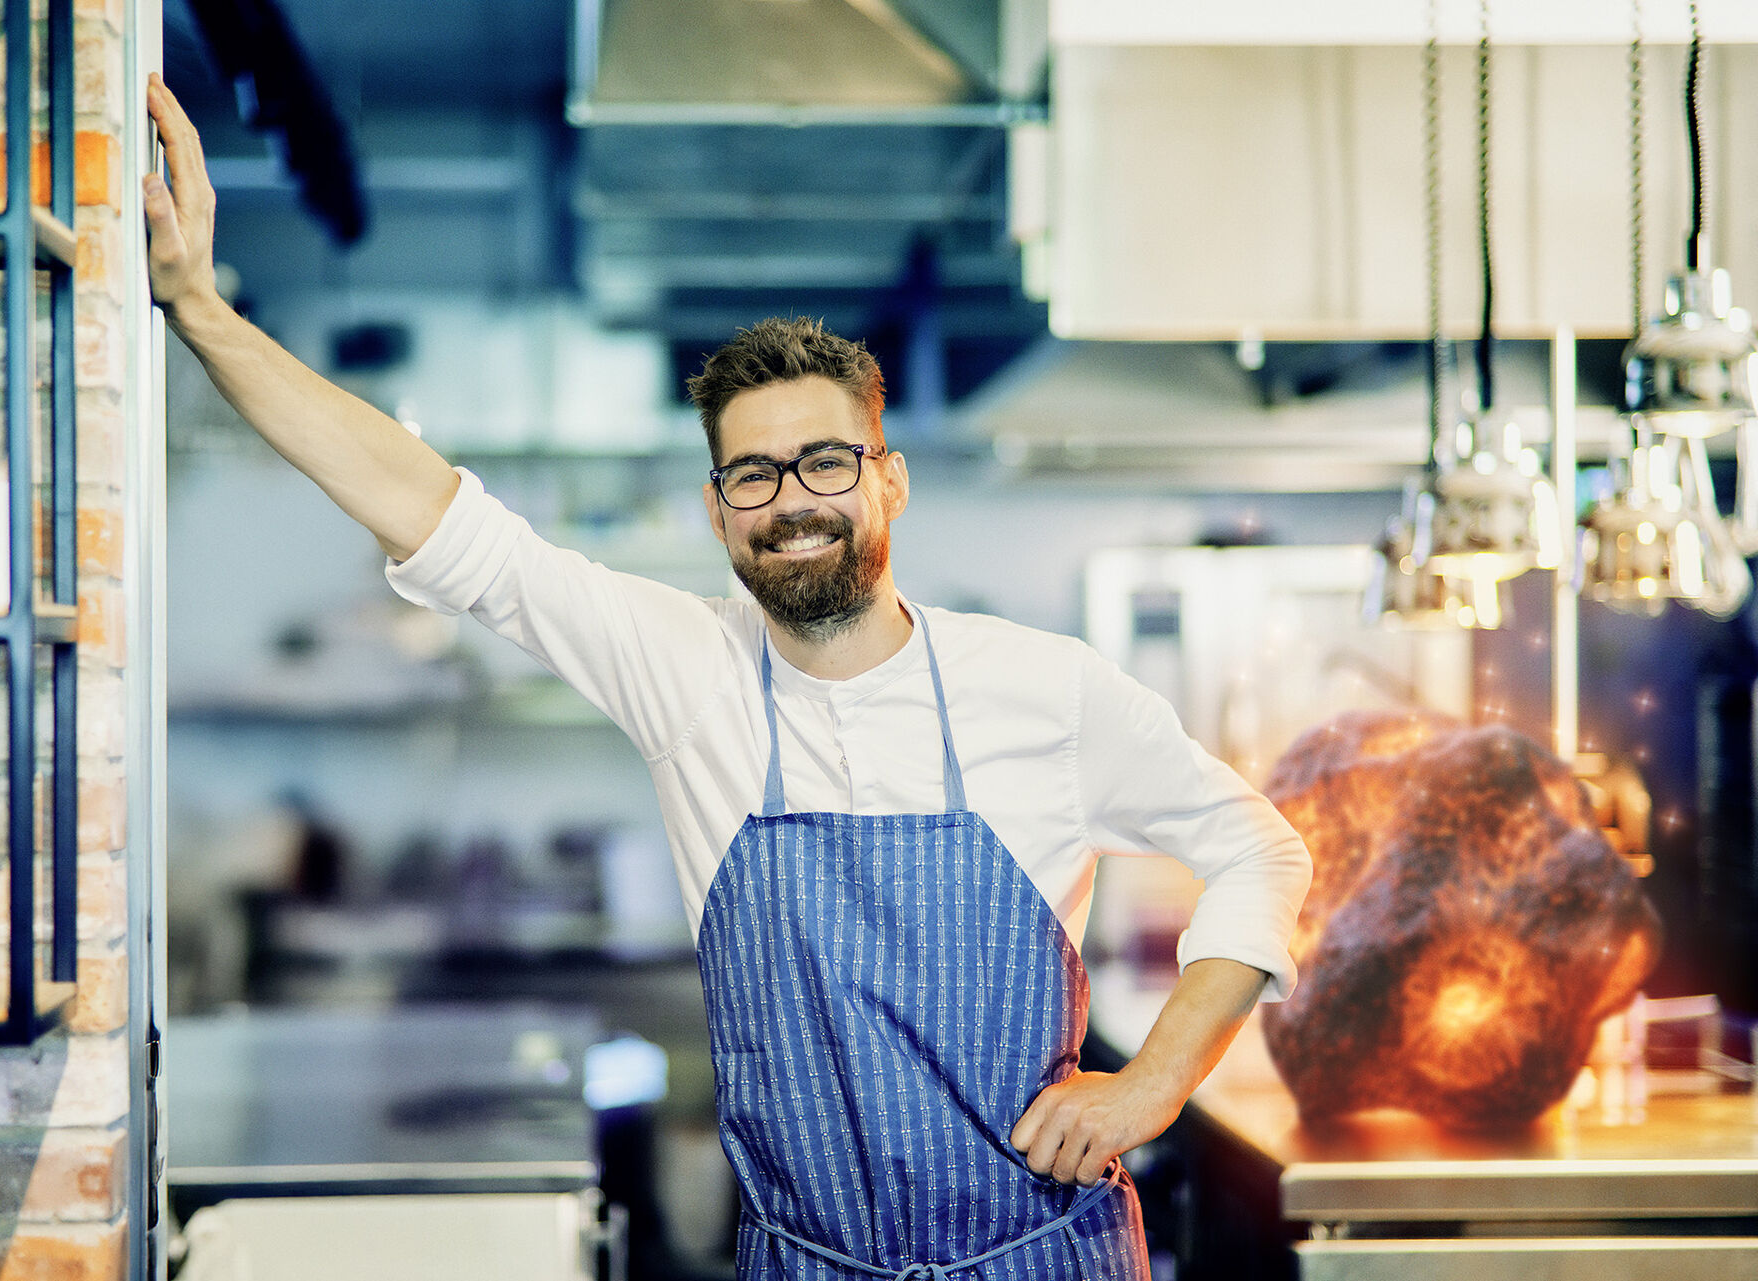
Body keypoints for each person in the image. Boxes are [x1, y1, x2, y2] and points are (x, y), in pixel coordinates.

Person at [144, 73, 1310, 1281]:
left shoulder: (1044, 690)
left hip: (1039, 1259)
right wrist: (198, 309)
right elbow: (440, 518)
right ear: (716, 510)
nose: (791, 500)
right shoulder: (686, 670)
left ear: (889, 478)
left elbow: (1261, 848)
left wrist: (1157, 1082)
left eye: (824, 462)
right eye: (754, 476)